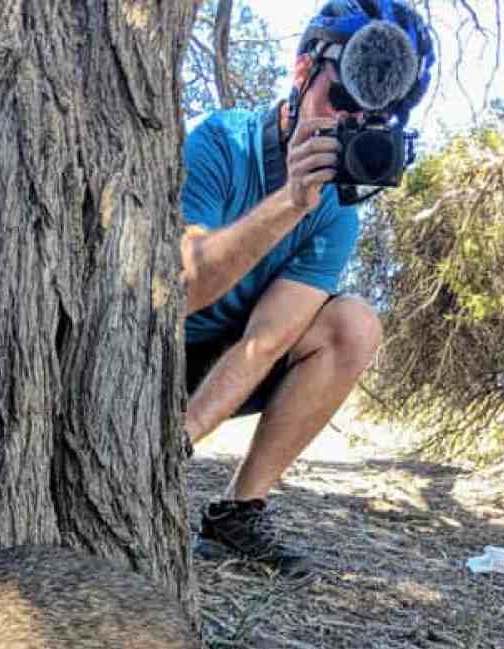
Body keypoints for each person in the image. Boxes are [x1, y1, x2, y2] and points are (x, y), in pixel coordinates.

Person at [180, 0, 434, 575]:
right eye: (341, 99)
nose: (347, 123)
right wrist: (289, 203)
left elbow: (264, 344)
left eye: (375, 117)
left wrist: (181, 440)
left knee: (354, 325)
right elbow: (180, 291)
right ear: (302, 71)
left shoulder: (338, 213)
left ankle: (237, 514)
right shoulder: (222, 141)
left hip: (224, 362)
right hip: (147, 354)